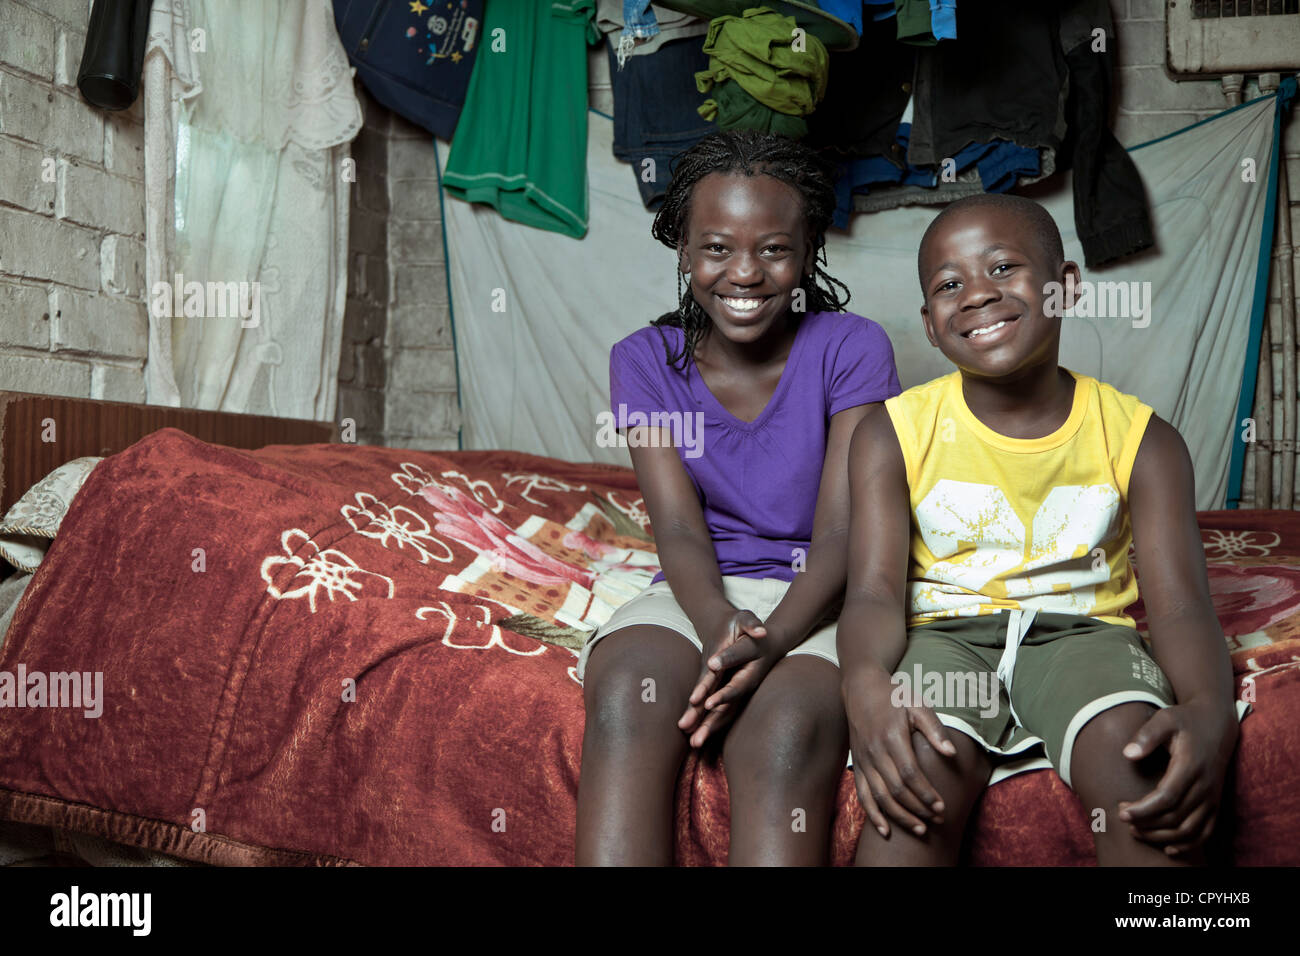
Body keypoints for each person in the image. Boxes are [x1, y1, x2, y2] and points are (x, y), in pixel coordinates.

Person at [839, 193, 1245, 866]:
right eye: (948, 284)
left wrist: (1208, 712)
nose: (976, 295)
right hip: (945, 641)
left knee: (1136, 758)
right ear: (930, 325)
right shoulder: (891, 433)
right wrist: (863, 685)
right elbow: (874, 593)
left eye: (1003, 267)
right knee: (911, 777)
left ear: (1065, 287)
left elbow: (1179, 606)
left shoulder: (1144, 440)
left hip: (1085, 636)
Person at [575, 129, 901, 865]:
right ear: (685, 252)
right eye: (717, 248)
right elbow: (680, 532)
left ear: (809, 249)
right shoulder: (645, 361)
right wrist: (721, 623)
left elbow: (844, 534)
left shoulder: (851, 348)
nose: (745, 274)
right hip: (701, 591)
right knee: (629, 691)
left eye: (774, 249)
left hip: (819, 596)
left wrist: (772, 639)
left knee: (784, 725)